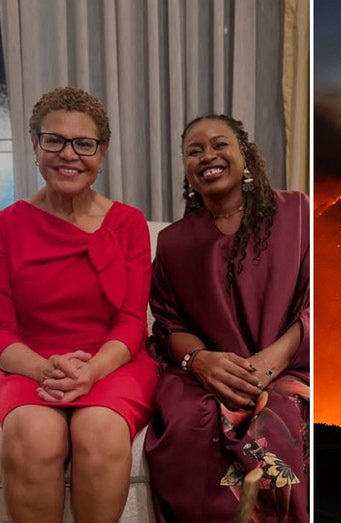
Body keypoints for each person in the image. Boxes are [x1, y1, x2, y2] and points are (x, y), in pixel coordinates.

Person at [0, 86, 157, 522]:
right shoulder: (6, 225)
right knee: (31, 432)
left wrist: (91, 371)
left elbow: (131, 322)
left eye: (83, 144)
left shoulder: (127, 223)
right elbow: (2, 329)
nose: (68, 155)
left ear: (101, 152)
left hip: (112, 360)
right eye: (54, 140)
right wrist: (40, 368)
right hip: (30, 361)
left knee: (101, 430)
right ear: (35, 144)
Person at [143, 114, 310, 522]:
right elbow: (167, 325)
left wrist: (267, 365)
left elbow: (314, 302)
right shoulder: (173, 242)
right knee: (189, 427)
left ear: (244, 154)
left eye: (220, 145)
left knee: (274, 427)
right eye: (193, 151)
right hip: (206, 372)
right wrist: (202, 362)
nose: (208, 157)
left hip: (287, 364)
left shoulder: (296, 214)